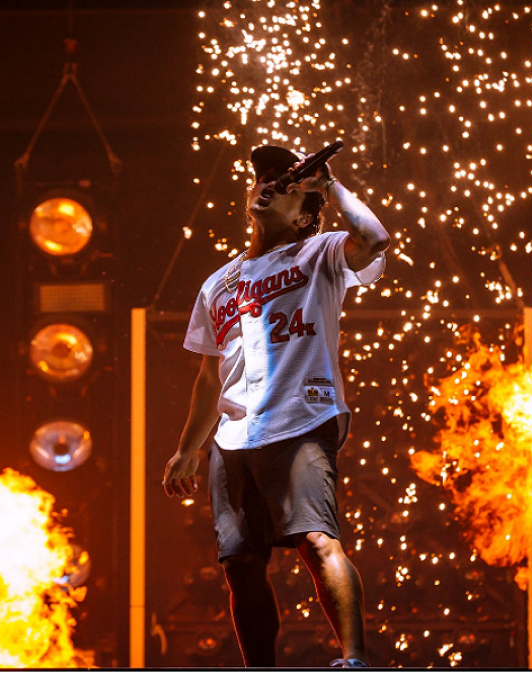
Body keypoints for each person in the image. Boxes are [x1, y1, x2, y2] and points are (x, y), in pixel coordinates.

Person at [161, 143, 390, 668]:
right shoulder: (217, 284)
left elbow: (375, 238)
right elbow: (207, 376)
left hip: (301, 419)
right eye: (260, 180)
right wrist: (187, 449)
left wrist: (327, 185)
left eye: (282, 183)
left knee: (315, 538)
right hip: (233, 436)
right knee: (240, 564)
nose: (267, 185)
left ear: (306, 213)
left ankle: (354, 659)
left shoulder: (322, 252)